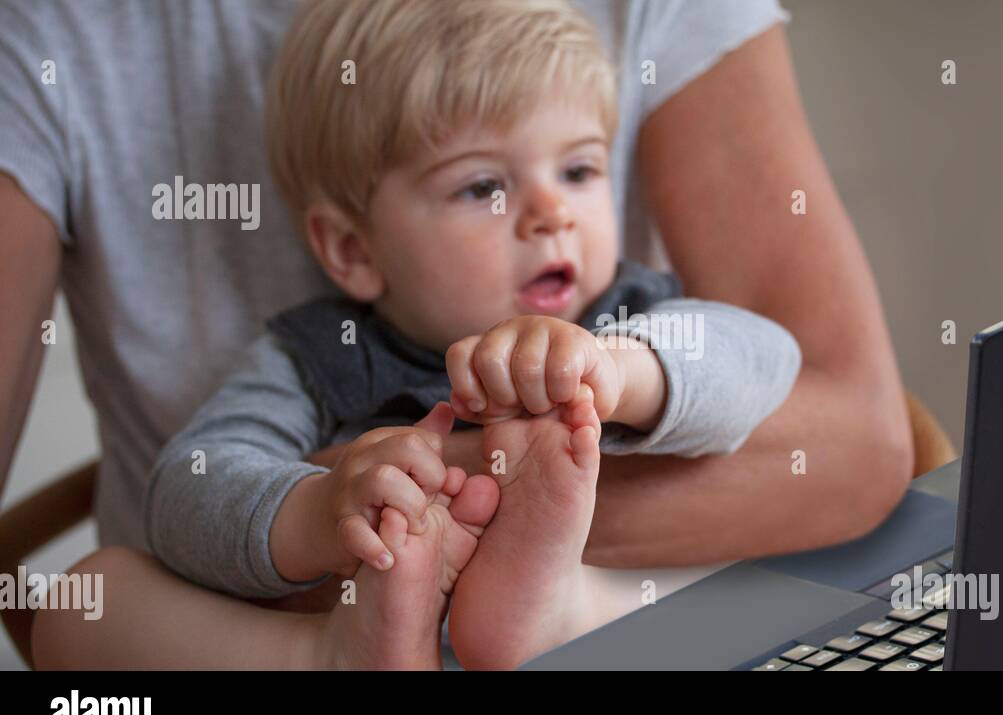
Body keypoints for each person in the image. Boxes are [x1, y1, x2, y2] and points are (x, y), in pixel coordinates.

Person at [0, 0, 912, 669]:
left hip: (592, 627)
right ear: (353, 249)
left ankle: (551, 605)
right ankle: (331, 662)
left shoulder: (627, 316)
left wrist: (625, 373)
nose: (553, 213)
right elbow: (184, 489)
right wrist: (325, 511)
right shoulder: (316, 354)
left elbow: (765, 356)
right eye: (485, 187)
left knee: (722, 592)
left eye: (581, 168)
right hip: (350, 627)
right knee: (89, 605)